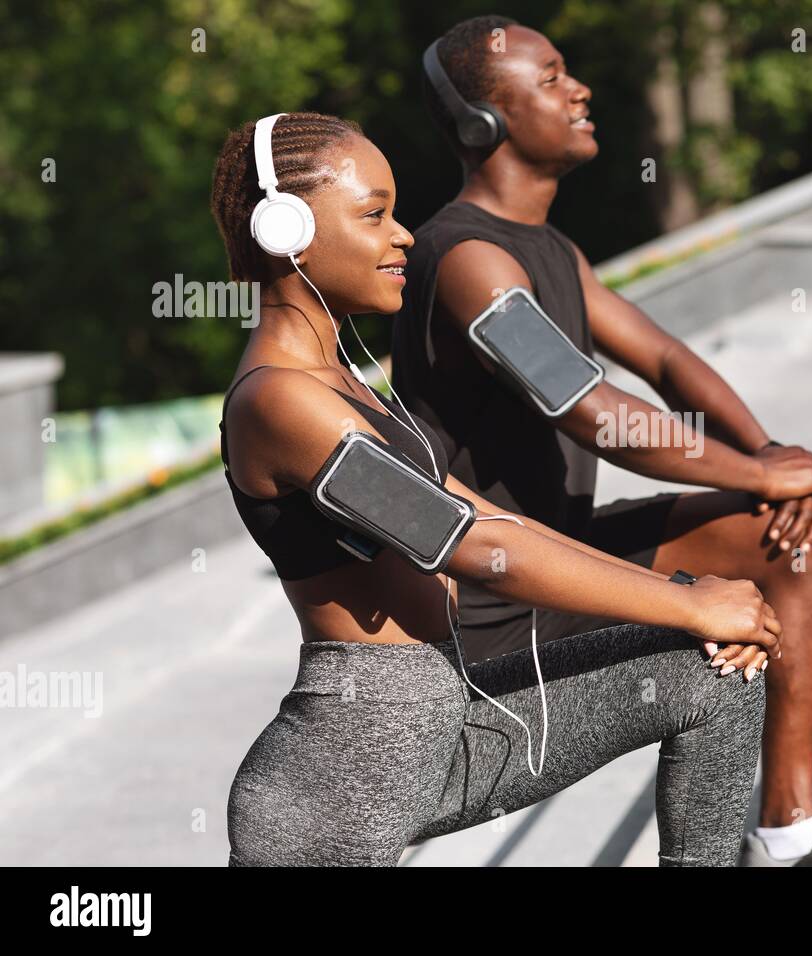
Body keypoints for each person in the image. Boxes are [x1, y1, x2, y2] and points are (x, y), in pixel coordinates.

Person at [210, 110, 778, 867]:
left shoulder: (343, 381)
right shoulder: (279, 403)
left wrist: (690, 598)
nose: (403, 234)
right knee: (699, 632)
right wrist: (686, 600)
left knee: (710, 674)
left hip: (456, 734)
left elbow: (488, 515)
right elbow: (468, 542)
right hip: (339, 784)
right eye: (374, 215)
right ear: (286, 232)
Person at [391, 16, 812, 866]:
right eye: (553, 77)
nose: (581, 91)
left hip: (567, 560)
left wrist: (772, 463)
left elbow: (669, 360)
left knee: (784, 544)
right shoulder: (465, 259)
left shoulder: (553, 249)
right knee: (758, 537)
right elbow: (587, 408)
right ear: (480, 125)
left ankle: (788, 842)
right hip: (492, 606)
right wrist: (762, 471)